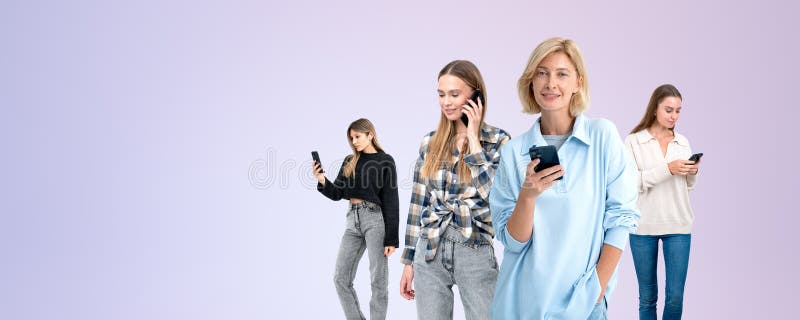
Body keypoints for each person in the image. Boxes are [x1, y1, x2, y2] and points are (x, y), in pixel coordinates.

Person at [489, 37, 640, 319]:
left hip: (583, 305)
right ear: (531, 81)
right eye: (542, 73)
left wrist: (594, 292)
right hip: (521, 305)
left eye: (561, 74)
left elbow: (622, 218)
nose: (551, 83)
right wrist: (527, 196)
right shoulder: (513, 152)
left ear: (578, 83)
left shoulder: (602, 136)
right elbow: (513, 243)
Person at [398, 60, 511, 320]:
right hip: (430, 249)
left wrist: (474, 141)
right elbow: (418, 202)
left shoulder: (498, 141)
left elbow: (497, 197)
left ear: (475, 96)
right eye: (441, 94)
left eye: (454, 94)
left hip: (475, 247)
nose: (446, 102)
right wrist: (408, 260)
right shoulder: (430, 142)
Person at [312, 118, 399, 320]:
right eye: (351, 138)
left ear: (370, 135)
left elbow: (391, 200)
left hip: (375, 220)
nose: (354, 141)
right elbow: (337, 193)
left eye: (358, 136)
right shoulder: (349, 161)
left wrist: (391, 239)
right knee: (340, 278)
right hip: (352, 220)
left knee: (378, 280)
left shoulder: (385, 161)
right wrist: (322, 180)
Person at [625, 84, 698, 320]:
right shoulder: (634, 141)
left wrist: (692, 172)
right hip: (643, 225)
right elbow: (631, 183)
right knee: (647, 298)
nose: (673, 116)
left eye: (678, 111)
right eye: (668, 110)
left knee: (675, 297)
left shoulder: (682, 142)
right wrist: (668, 168)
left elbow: (688, 187)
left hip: (678, 224)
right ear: (655, 108)